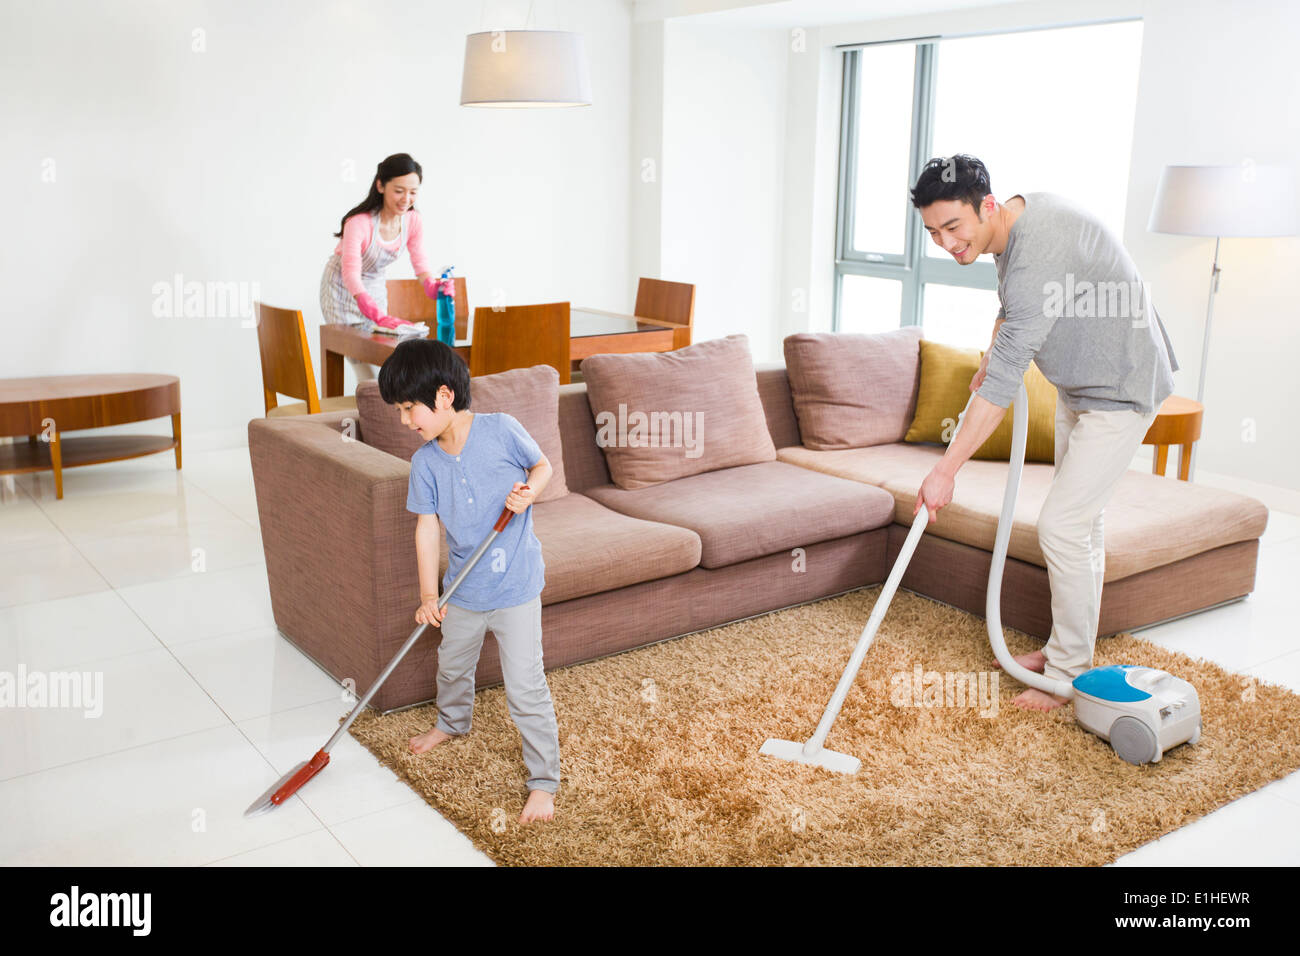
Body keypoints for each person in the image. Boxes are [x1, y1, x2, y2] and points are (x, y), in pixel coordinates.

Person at [909, 155, 1179, 712]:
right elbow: (1012, 312)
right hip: (1081, 387)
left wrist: (944, 471)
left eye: (953, 227)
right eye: (933, 232)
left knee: (1061, 524)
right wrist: (991, 351)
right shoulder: (1012, 228)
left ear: (987, 205)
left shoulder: (1039, 247)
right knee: (1084, 527)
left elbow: (1003, 384)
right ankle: (1067, 651)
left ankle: (1067, 674)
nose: (945, 243)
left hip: (1122, 389)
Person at [377, 338, 560, 824]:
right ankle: (452, 723)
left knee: (526, 686)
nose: (404, 420)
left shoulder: (502, 431)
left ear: (442, 397)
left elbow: (542, 466)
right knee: (453, 666)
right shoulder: (425, 463)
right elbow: (426, 528)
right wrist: (428, 595)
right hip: (463, 590)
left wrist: (529, 493)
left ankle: (543, 781)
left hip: (517, 587)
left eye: (408, 408)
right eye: (398, 410)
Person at [319, 153, 437, 381]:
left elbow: (420, 261)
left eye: (413, 192)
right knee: (358, 355)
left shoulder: (413, 220)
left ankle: (379, 406)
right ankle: (370, 406)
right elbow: (350, 273)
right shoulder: (359, 223)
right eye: (399, 191)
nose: (406, 199)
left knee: (383, 351)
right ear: (381, 185)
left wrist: (431, 285)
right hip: (341, 288)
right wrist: (369, 308)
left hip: (373, 285)